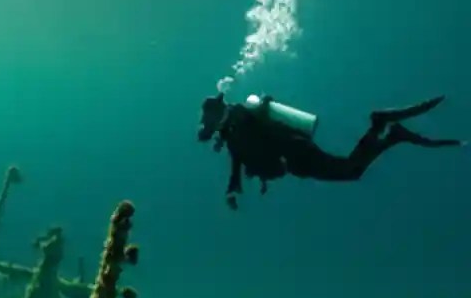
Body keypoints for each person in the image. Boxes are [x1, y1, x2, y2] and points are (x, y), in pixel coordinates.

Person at [197, 93, 463, 210]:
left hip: (298, 154)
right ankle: (392, 135)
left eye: (211, 118)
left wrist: (241, 181)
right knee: (352, 171)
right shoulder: (231, 131)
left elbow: (252, 150)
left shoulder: (240, 119)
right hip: (296, 161)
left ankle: (382, 125)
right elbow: (238, 158)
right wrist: (233, 188)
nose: (210, 124)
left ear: (219, 113)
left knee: (350, 170)